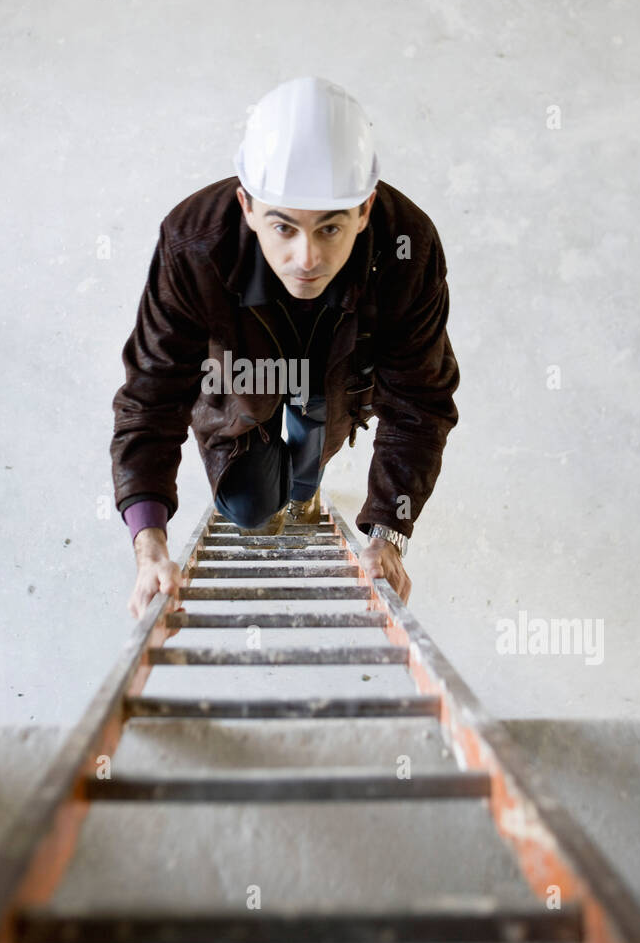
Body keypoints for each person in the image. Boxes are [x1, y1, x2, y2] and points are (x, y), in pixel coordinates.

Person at [111, 76, 460, 620]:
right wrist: (149, 539)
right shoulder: (193, 243)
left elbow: (421, 401)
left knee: (309, 457)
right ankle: (277, 477)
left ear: (365, 210)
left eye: (330, 228)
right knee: (251, 509)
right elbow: (152, 390)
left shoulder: (407, 249)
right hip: (241, 389)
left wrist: (388, 533)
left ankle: (306, 480)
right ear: (247, 206)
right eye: (283, 227)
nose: (306, 258)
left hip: (337, 383)